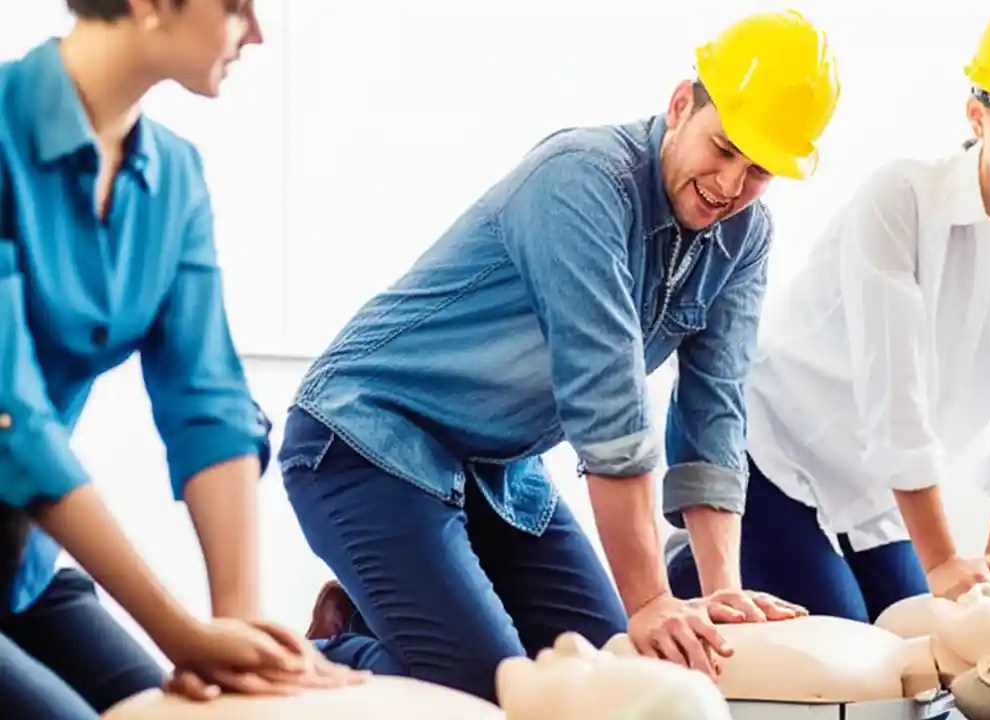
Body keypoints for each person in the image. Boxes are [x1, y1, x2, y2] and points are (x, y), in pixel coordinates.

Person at [278, 9, 840, 704]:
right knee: (499, 696)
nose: (730, 185)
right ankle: (338, 649)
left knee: (614, 681)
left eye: (758, 171)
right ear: (679, 104)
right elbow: (607, 403)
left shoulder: (744, 236)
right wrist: (651, 601)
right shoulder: (584, 179)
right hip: (363, 441)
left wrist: (721, 593)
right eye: (723, 149)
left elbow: (714, 407)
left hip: (499, 474)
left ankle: (388, 607)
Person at [668, 0, 990, 622]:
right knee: (848, 642)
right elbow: (893, 397)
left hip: (873, 496)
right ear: (978, 116)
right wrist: (946, 565)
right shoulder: (899, 199)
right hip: (771, 456)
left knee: (925, 647)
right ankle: (697, 569)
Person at [0, 2, 363, 717]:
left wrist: (238, 630)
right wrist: (177, 632)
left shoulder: (174, 176)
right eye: (238, 6)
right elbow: (16, 421)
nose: (256, 32)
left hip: (24, 571)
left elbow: (208, 404)